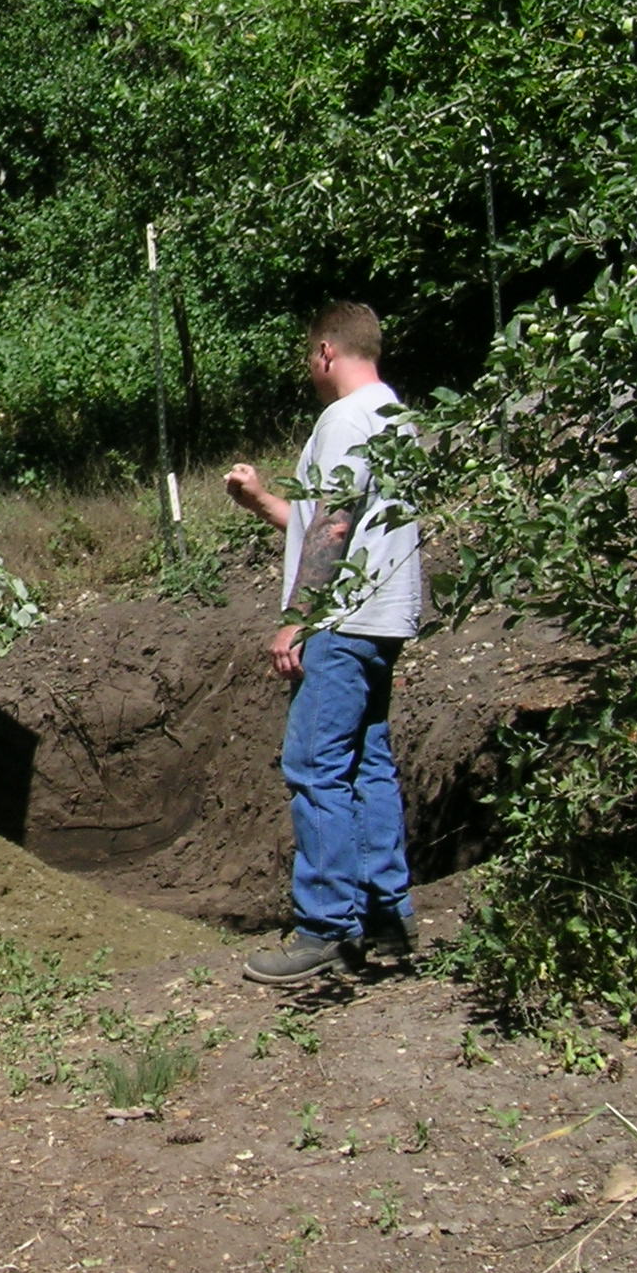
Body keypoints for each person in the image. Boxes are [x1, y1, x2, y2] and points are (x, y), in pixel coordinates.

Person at [224, 302, 424, 986]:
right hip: (384, 619)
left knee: (315, 766)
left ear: (326, 352)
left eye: (310, 356)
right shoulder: (395, 416)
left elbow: (334, 528)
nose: (310, 370)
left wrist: (298, 618)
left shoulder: (342, 419)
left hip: (340, 623)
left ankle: (327, 928)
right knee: (367, 765)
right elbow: (328, 519)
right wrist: (261, 501)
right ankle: (385, 916)